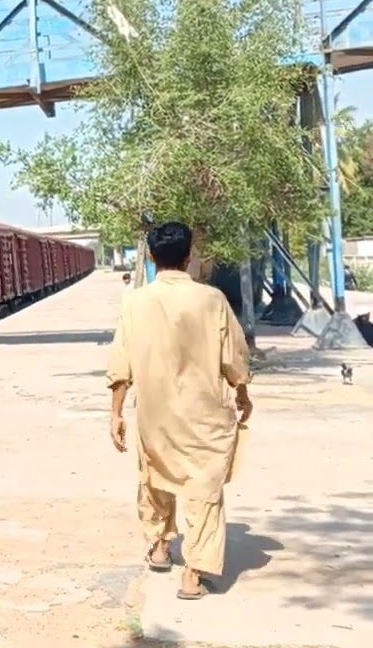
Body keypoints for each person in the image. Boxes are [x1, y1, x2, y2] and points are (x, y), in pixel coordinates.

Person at [105, 221, 253, 601]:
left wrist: (116, 413)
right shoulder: (213, 300)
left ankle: (159, 545)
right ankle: (193, 573)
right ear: (189, 256)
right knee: (204, 488)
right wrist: (242, 393)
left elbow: (121, 364)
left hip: (155, 413)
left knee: (155, 475)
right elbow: (233, 359)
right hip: (205, 413)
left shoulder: (135, 302)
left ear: (153, 257)